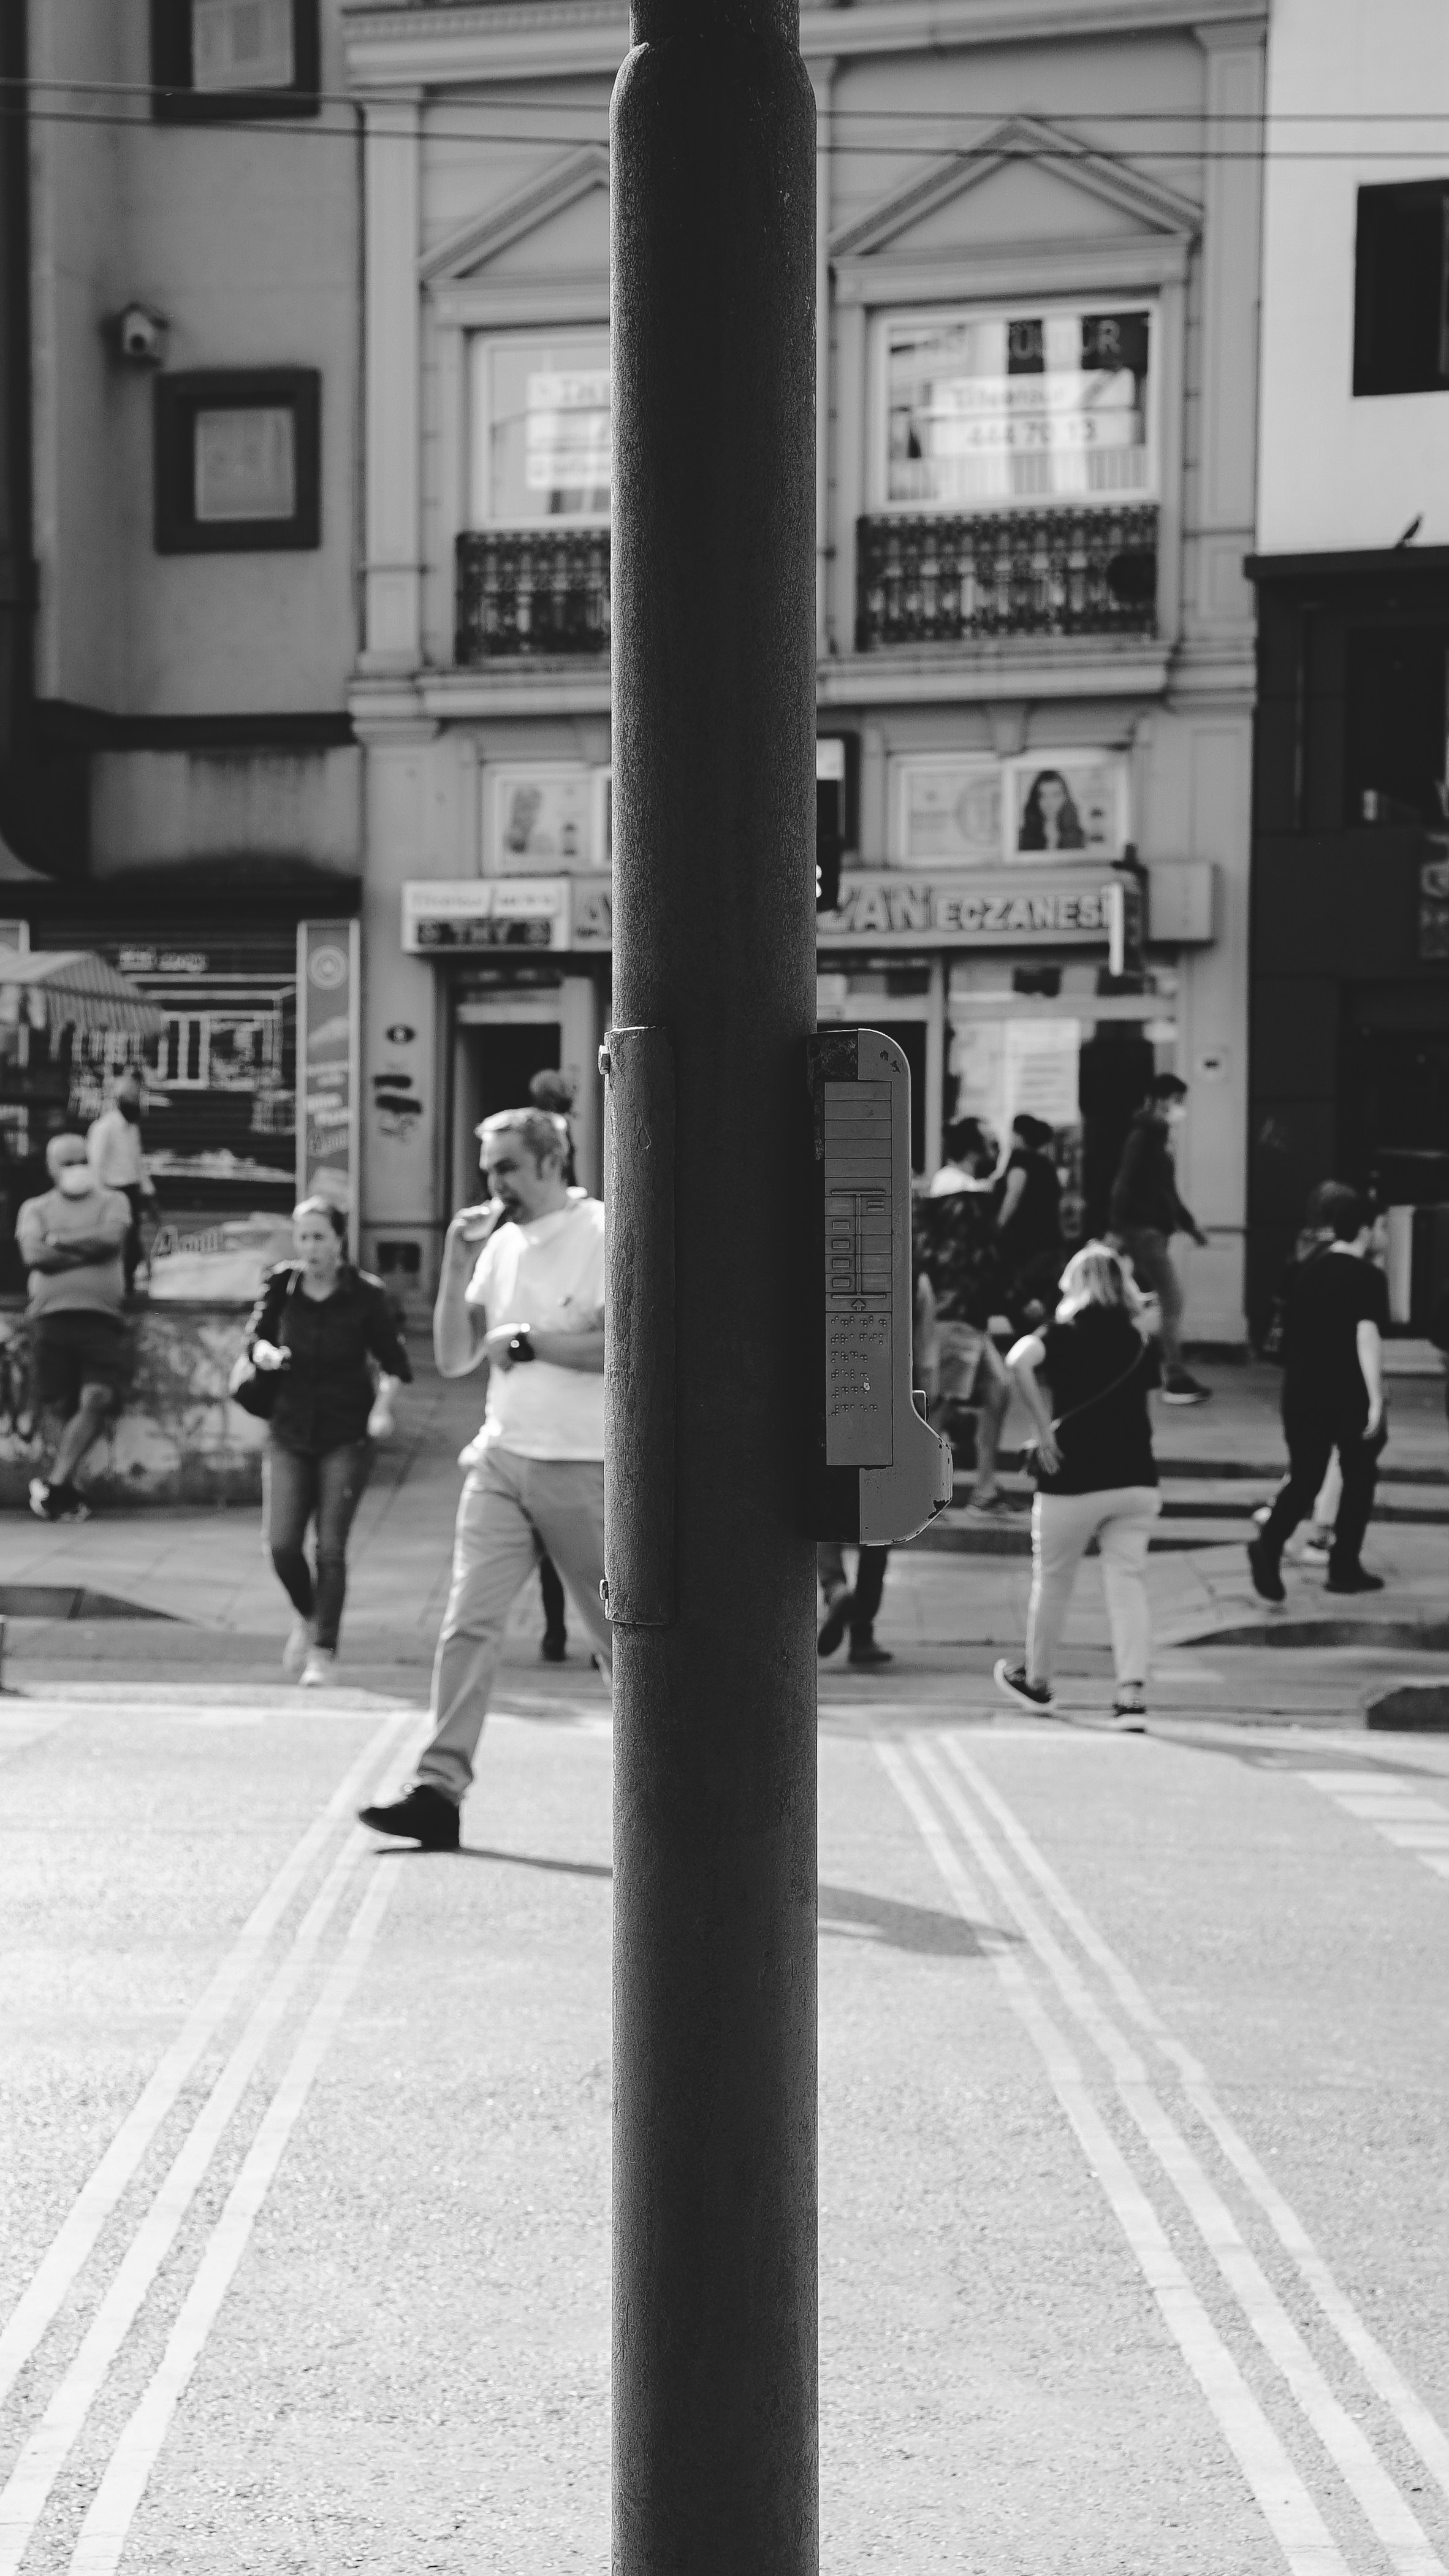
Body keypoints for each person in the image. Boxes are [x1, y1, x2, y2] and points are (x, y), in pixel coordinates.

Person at [360, 1107, 612, 1851]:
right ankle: (439, 1790)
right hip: (500, 1457)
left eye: (505, 1165)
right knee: (468, 1624)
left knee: (617, 1639)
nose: (492, 1181)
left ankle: (671, 1777)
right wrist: (450, 1260)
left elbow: (626, 1342)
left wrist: (531, 1342)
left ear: (549, 1161)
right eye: (487, 1167)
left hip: (583, 1462)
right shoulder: (497, 1242)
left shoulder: (599, 1231)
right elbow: (453, 1357)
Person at [995, 1240, 1162, 1729]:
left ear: (1075, 1286)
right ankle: (1130, 1695)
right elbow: (1147, 1416)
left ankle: (1039, 1682)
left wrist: (1043, 1429)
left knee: (1053, 1582)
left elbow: (1017, 1360)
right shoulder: (1139, 1342)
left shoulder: (1062, 1334)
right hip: (1135, 1480)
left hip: (1073, 1478)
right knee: (1127, 1583)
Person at [245, 1198, 411, 1685]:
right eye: (303, 1237)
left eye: (320, 1237)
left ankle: (323, 1651)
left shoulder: (366, 1294)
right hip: (290, 1427)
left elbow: (395, 1364)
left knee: (331, 1548)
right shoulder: (282, 1284)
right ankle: (308, 1613)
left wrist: (382, 1409)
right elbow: (252, 1337)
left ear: (340, 1240)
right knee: (280, 1546)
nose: (310, 1248)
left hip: (346, 1432)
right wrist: (266, 1352)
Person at [1248, 1184, 1388, 1602]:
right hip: (1347, 1391)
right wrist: (1376, 1396)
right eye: (1382, 1226)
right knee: (1360, 1473)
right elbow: (1366, 1335)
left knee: (1306, 1477)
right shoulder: (1369, 1276)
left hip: (1302, 1390)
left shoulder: (1308, 1268)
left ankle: (1269, 1544)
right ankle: (1344, 1565)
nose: (1385, 1234)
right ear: (1365, 1230)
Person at [15, 1131, 132, 1521]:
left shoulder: (114, 1201)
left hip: (102, 1319)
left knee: (97, 1399)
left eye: (81, 1159)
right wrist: (84, 1252)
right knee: (59, 1406)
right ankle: (66, 1492)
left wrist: (58, 1244)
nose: (76, 1168)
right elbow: (33, 1254)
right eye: (67, 1162)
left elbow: (111, 1241)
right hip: (50, 1319)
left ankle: (57, 1484)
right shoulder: (35, 1207)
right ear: (51, 1168)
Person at [916, 1120, 1011, 1515]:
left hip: (963, 1315)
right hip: (959, 1316)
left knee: (998, 1390)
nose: (997, 1154)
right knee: (945, 1405)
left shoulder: (951, 1191)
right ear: (975, 1150)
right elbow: (972, 1264)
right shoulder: (963, 1196)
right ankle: (912, 1485)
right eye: (992, 1145)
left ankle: (985, 1489)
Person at [1107, 1072, 1212, 1405]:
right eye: (1177, 1101)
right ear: (1160, 1100)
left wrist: (1188, 1225)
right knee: (1171, 1300)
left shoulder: (1158, 1136)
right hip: (1143, 1230)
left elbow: (1165, 1189)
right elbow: (1125, 1182)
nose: (1180, 1108)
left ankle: (1141, 1366)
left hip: (1150, 1230)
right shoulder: (1144, 1136)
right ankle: (1175, 1377)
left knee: (1143, 1302)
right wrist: (1117, 1224)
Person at [86, 1068, 155, 1294]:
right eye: (134, 1101)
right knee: (122, 1243)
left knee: (131, 1243)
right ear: (122, 1102)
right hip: (112, 1192)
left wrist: (149, 1194)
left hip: (131, 1192)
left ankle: (127, 1287)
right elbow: (96, 1165)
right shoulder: (104, 1128)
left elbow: (137, 1161)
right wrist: (100, 1201)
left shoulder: (132, 1129)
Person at [996, 1114, 1062, 1276]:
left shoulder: (1020, 1161)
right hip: (1051, 1242)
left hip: (1025, 1246)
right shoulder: (1046, 1165)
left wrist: (998, 1226)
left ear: (1018, 1135)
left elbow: (1013, 1196)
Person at [1017, 769, 1087, 853]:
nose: (1049, 804)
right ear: (1035, 800)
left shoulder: (1079, 836)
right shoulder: (1023, 837)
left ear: (1065, 798)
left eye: (1056, 795)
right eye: (1043, 796)